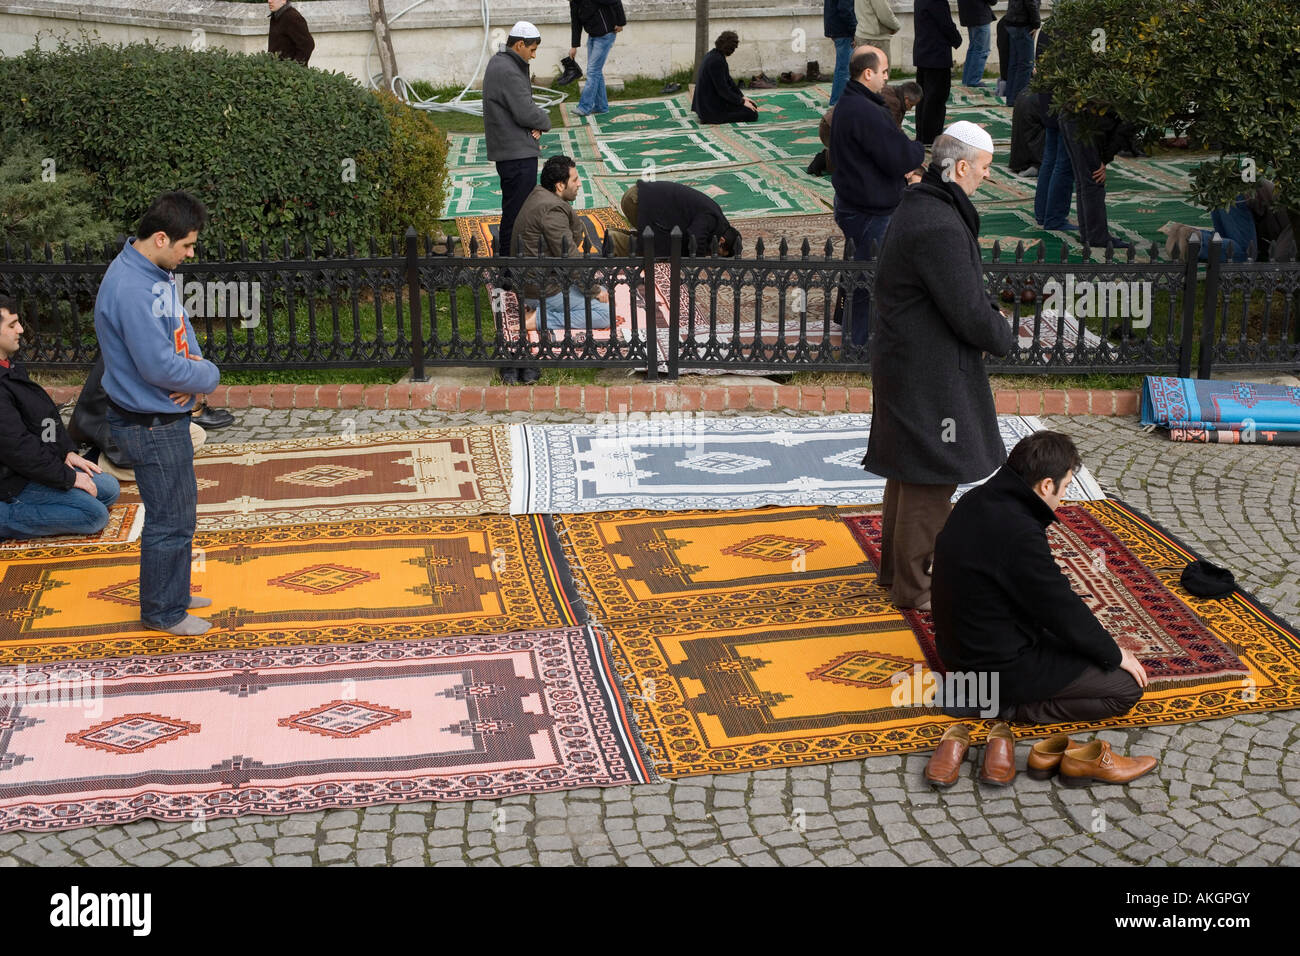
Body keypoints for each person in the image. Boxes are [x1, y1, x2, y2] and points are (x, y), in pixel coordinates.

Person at [862, 122, 1013, 611]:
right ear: (961, 166)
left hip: (912, 362)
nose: (986, 179)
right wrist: (1003, 333)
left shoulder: (925, 206)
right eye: (984, 169)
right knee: (933, 474)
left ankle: (896, 576)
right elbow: (968, 312)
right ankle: (917, 587)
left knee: (910, 469)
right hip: (928, 369)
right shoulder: (939, 224)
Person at [931, 431, 1151, 729]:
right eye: (1065, 489)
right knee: (1125, 689)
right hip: (992, 667)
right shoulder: (1018, 532)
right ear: (1047, 485)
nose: (1062, 499)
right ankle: (1004, 707)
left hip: (958, 649)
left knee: (1074, 642)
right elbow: (1058, 605)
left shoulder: (978, 498)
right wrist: (1114, 654)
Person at [94, 191, 220, 637]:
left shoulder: (149, 269)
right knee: (170, 519)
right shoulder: (132, 287)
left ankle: (175, 593)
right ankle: (164, 612)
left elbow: (179, 328)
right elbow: (157, 365)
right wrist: (207, 376)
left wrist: (195, 378)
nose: (189, 255)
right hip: (149, 425)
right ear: (161, 238)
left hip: (159, 414)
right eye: (186, 246)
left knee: (179, 513)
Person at [0, 295, 121, 541]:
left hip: (29, 467)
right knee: (93, 516)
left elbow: (42, 418)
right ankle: (5, 516)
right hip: (11, 480)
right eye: (12, 325)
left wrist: (66, 452)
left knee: (108, 489)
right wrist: (68, 477)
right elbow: (19, 449)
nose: (21, 330)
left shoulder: (9, 365)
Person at [829, 46, 925, 347]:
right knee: (867, 278)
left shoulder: (853, 102)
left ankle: (848, 327)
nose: (887, 78)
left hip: (854, 202)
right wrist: (918, 150)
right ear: (867, 73)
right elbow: (899, 156)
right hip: (869, 210)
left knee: (859, 267)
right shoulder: (866, 111)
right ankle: (859, 344)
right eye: (883, 71)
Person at [484, 20, 552, 384]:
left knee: (513, 212)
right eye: (533, 48)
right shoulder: (508, 70)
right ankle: (511, 271)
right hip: (516, 154)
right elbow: (525, 111)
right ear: (520, 43)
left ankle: (508, 269)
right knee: (518, 215)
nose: (535, 53)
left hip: (513, 149)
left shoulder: (504, 64)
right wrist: (545, 120)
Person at [512, 155, 612, 333]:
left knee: (603, 291)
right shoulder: (553, 211)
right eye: (574, 180)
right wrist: (593, 291)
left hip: (544, 278)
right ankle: (540, 319)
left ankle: (544, 311)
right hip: (540, 289)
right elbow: (570, 258)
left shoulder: (542, 195)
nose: (579, 184)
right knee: (605, 313)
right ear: (560, 186)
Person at [1059, 106, 1131, 250]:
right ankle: (1097, 237)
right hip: (1085, 123)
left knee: (1084, 181)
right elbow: (1123, 131)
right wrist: (1104, 160)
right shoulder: (1131, 111)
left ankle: (1088, 233)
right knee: (1093, 180)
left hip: (1070, 114)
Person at [612, 180, 741, 257]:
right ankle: (613, 242)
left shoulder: (716, 218)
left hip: (638, 197)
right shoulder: (712, 218)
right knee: (655, 250)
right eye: (718, 252)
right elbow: (695, 235)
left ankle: (614, 239)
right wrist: (699, 262)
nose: (713, 255)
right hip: (636, 200)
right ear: (722, 240)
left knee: (665, 245)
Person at [1032, 28, 1075, 230]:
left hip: (1048, 99)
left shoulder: (1048, 27)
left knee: (1050, 159)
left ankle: (1043, 213)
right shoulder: (1078, 27)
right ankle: (1055, 217)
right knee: (1063, 163)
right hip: (1065, 102)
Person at [912, 0, 963, 146]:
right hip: (936, 55)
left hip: (924, 53)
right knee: (935, 100)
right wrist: (957, 39)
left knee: (924, 98)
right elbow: (945, 23)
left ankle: (922, 135)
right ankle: (930, 137)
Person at [569, 0, 626, 117]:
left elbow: (616, 2)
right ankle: (601, 106)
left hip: (606, 35)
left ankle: (584, 107)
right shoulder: (574, 2)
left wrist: (621, 23)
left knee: (592, 71)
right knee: (596, 72)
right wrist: (574, 46)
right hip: (593, 36)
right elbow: (576, 23)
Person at [691, 31, 759, 124]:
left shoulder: (714, 54)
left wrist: (743, 97)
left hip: (710, 103)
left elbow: (728, 80)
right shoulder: (717, 61)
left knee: (751, 105)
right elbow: (723, 90)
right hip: (710, 110)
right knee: (752, 114)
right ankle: (711, 118)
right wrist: (741, 102)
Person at [1001, 0, 1040, 107]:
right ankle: (1019, 101)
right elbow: (1031, 3)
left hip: (1013, 20)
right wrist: (1036, 23)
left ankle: (1011, 98)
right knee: (1026, 65)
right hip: (1023, 24)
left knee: (1015, 64)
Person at [824, 0, 857, 108]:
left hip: (838, 28)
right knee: (844, 69)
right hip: (843, 29)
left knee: (843, 68)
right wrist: (854, 29)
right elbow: (845, 8)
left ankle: (840, 101)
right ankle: (837, 103)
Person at [957, 0, 997, 88]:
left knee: (973, 49)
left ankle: (967, 80)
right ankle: (973, 81)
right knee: (981, 51)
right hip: (980, 15)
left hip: (969, 15)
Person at [1009, 85, 1045, 176]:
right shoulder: (1045, 95)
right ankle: (1038, 165)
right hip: (1032, 155)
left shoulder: (1029, 89)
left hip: (1018, 158)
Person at [267, 0, 314, 66]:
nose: (269, 1)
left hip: (290, 74)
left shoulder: (292, 17)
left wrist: (293, 67)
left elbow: (308, 45)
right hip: (277, 71)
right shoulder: (276, 16)